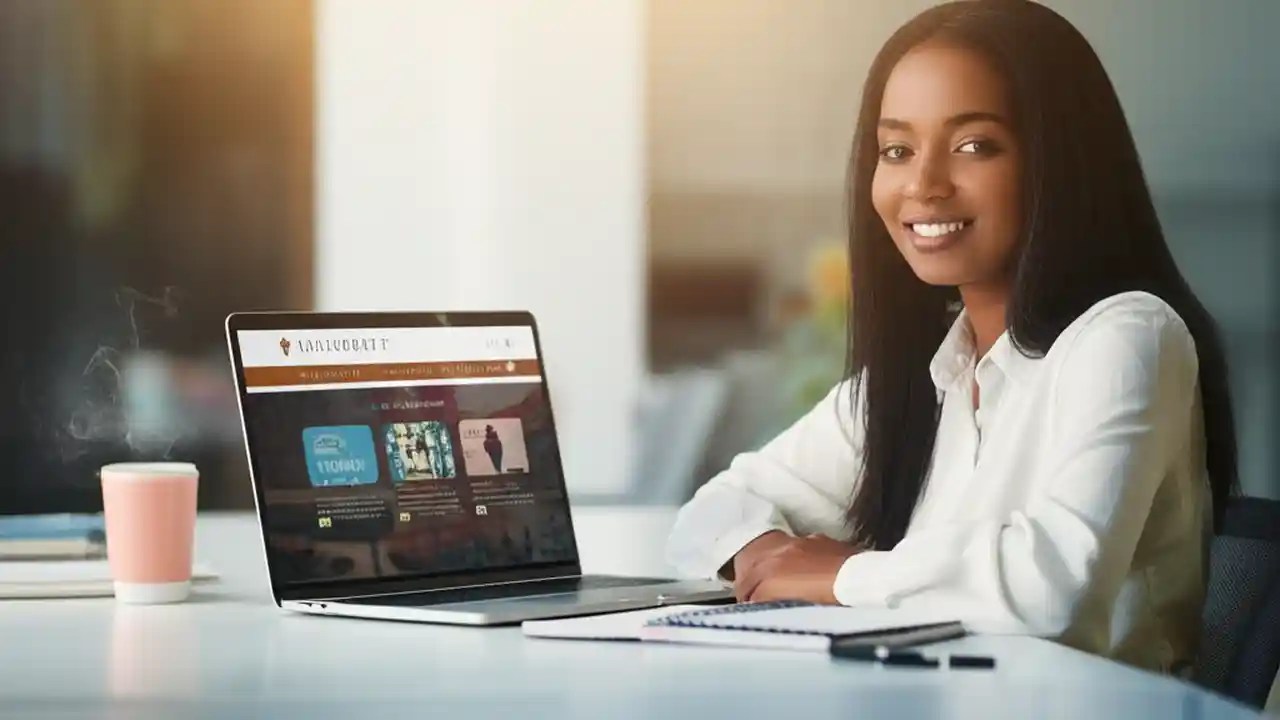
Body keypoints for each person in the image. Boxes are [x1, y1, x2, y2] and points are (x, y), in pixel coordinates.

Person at [665, 0, 1237, 675]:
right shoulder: (922, 378)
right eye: (897, 150)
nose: (924, 184)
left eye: (974, 146)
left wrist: (840, 574)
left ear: (1060, 159)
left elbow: (1049, 592)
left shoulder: (1127, 336)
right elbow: (710, 514)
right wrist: (767, 554)